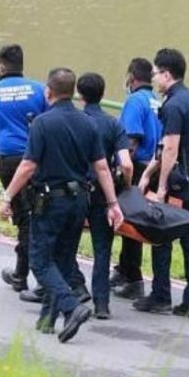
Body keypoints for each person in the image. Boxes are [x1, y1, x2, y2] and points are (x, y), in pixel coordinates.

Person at [0, 68, 124, 343]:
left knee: (41, 260)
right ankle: (47, 320)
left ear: (49, 91)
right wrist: (113, 203)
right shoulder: (88, 123)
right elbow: (102, 167)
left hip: (50, 201)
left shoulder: (42, 123)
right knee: (64, 260)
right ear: (74, 92)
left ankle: (72, 307)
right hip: (80, 200)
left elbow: (29, 165)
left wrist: (7, 196)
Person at [133, 48, 189, 318]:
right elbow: (165, 148)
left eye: (156, 73)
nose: (154, 78)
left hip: (188, 182)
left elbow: (170, 149)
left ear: (167, 75)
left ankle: (161, 296)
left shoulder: (172, 105)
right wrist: (148, 172)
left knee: (163, 234)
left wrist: (159, 189)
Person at [0, 44, 48, 294]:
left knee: (23, 219)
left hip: (9, 160)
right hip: (38, 159)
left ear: (0, 67)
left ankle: (27, 275)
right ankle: (23, 273)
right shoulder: (40, 90)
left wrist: (3, 149)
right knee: (38, 216)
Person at [76, 72, 133, 320]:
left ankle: (75, 288)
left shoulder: (75, 121)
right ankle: (102, 304)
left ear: (80, 95)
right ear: (103, 93)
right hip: (103, 190)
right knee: (102, 248)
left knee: (66, 242)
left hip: (75, 189)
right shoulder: (113, 124)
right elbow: (127, 163)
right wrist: (125, 187)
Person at [110, 58, 162, 300]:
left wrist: (120, 170)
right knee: (137, 221)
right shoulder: (157, 101)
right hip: (153, 166)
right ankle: (124, 269)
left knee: (129, 222)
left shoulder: (135, 101)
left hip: (137, 168)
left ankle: (133, 277)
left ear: (131, 77)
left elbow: (131, 141)